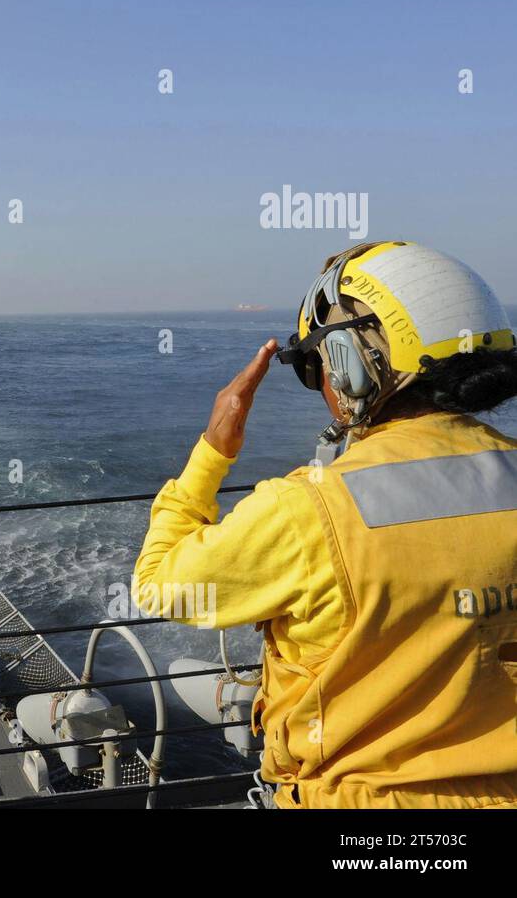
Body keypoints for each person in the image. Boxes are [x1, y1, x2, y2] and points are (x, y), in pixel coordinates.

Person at [132, 241, 517, 808]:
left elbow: (159, 584)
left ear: (349, 361)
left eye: (315, 367)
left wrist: (213, 451)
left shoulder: (307, 510)